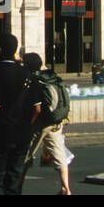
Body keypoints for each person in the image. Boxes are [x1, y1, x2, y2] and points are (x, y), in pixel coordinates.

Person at [0, 33, 32, 195]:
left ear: (0, 49)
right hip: (22, 130)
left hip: (2, 128)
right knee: (15, 174)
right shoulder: (25, 71)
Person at [22, 52, 74, 194]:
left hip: (40, 123)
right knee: (59, 155)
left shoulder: (33, 80)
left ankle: (16, 187)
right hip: (56, 121)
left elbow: (36, 108)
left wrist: (29, 124)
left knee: (26, 154)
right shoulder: (52, 77)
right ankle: (66, 188)